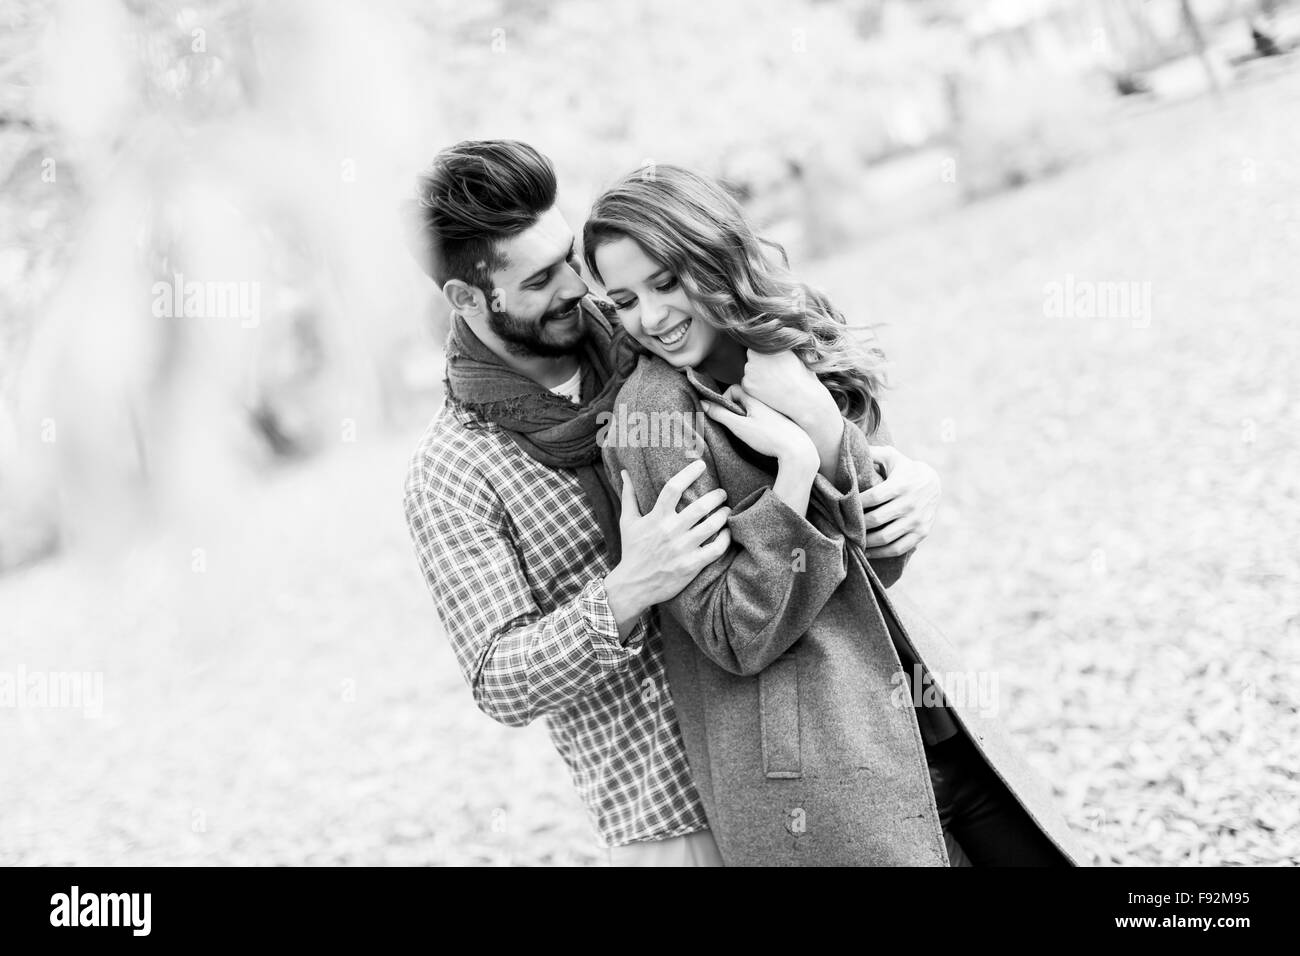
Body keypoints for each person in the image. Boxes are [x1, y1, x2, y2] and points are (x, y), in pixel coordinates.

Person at [401, 140, 945, 866]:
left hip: (811, 743)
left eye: (570, 257)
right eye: (540, 279)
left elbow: (806, 443)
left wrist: (896, 476)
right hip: (666, 809)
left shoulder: (650, 339)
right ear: (467, 299)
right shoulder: (454, 471)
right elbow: (499, 678)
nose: (577, 287)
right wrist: (628, 590)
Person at [586, 163, 1088, 866]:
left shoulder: (787, 349)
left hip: (934, 724)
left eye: (667, 282)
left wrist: (821, 424)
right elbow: (736, 635)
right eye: (625, 300)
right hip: (824, 774)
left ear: (714, 256)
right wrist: (791, 476)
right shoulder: (652, 422)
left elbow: (882, 559)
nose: (651, 316)